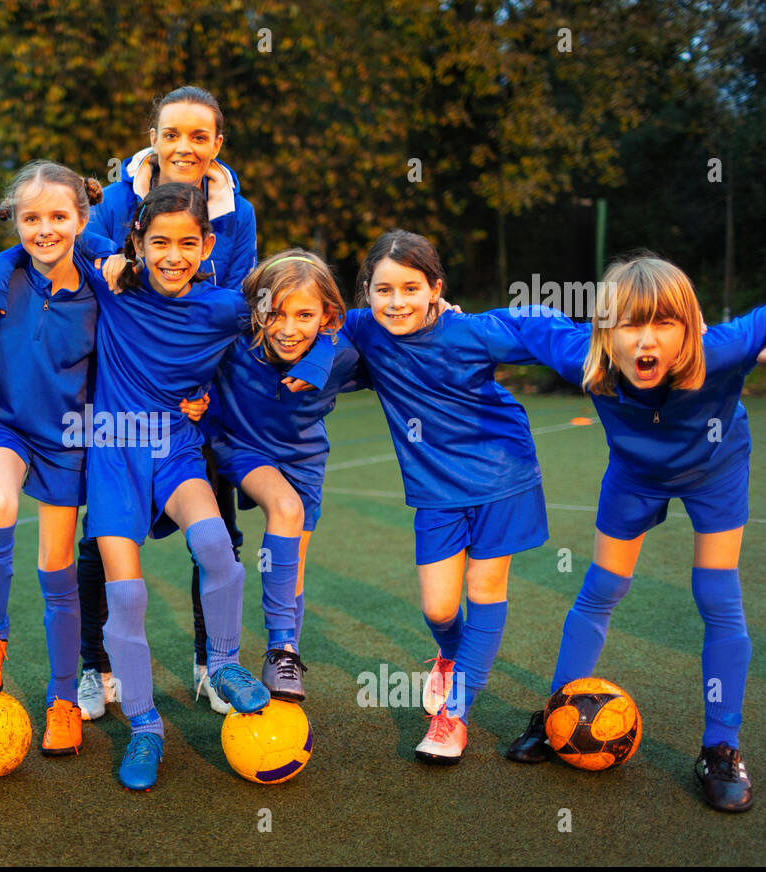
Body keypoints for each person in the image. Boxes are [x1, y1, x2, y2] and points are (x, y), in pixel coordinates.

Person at [499, 255, 766, 812]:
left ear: (689, 328)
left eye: (664, 323)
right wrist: (443, 312)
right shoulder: (583, 359)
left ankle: (721, 746)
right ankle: (557, 715)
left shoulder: (724, 349)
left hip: (716, 469)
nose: (647, 340)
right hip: (635, 475)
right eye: (630, 324)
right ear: (604, 331)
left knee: (717, 596)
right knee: (601, 589)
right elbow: (520, 319)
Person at [77, 86, 259, 718]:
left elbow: (251, 301)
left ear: (216, 146)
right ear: (154, 135)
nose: (184, 146)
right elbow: (80, 242)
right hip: (118, 398)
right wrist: (114, 263)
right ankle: (99, 671)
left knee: (219, 538)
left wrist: (208, 387)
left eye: (199, 136)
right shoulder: (125, 196)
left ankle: (216, 663)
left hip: (193, 401)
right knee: (100, 551)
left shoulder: (238, 215)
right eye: (172, 133)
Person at [340, 229, 549, 764]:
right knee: (438, 607)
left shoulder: (472, 332)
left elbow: (539, 332)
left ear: (436, 288)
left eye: (411, 288)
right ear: (366, 292)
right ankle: (452, 655)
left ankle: (451, 718)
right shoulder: (363, 329)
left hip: (503, 476)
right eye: (383, 290)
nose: (397, 302)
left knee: (484, 589)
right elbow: (305, 319)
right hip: (435, 491)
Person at [0, 160, 113, 756]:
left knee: (56, 566)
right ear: (14, 221)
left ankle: (61, 700)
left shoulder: (103, 288)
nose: (44, 228)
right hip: (6, 423)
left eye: (58, 216)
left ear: (79, 219)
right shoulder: (3, 278)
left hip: (69, 442)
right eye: (30, 218)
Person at [203, 250, 368, 699]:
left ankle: (285, 657)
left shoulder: (344, 354)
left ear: (328, 316)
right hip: (241, 447)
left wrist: (325, 352)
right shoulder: (237, 341)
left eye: (304, 315)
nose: (288, 328)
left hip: (305, 458)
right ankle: (282, 651)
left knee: (291, 571)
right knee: (285, 506)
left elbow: (393, 339)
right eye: (274, 313)